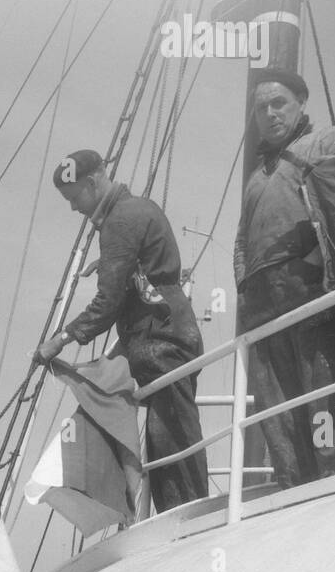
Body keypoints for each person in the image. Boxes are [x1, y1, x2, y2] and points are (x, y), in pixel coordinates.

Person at [35, 149, 209, 513]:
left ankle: (189, 520)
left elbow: (107, 303)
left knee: (171, 442)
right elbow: (148, 266)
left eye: (74, 198)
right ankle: (182, 514)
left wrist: (60, 339)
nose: (73, 209)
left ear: (93, 182)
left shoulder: (119, 221)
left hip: (160, 340)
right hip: (171, 331)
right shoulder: (139, 209)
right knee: (172, 438)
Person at [234, 68, 335, 488]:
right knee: (282, 426)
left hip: (314, 301)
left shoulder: (326, 142)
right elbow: (241, 240)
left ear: (301, 103)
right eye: (261, 108)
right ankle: (296, 496)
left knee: (330, 409)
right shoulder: (257, 176)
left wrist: (316, 258)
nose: (270, 114)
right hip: (264, 314)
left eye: (279, 104)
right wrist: (243, 284)